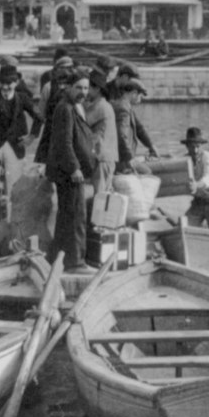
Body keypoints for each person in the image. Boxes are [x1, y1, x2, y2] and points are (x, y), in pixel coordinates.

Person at [45, 71, 98, 274]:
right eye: (79, 88)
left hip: (67, 171)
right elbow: (64, 142)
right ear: (69, 87)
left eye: (86, 88)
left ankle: (57, 258)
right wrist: (75, 167)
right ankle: (76, 262)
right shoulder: (65, 108)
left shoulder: (74, 107)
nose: (83, 92)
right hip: (69, 172)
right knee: (77, 215)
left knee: (66, 216)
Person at [0, 63, 43, 196]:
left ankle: (11, 217)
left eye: (10, 83)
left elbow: (39, 117)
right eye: (2, 82)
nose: (5, 87)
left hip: (15, 147)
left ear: (17, 82)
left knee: (15, 190)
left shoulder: (23, 98)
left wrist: (31, 137)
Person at [84, 67, 117, 195]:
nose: (85, 91)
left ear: (97, 89)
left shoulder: (100, 106)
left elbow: (82, 123)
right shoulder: (103, 105)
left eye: (88, 88)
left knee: (100, 198)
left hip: (102, 159)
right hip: (106, 158)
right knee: (103, 195)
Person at [113, 79, 158, 173]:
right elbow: (121, 135)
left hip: (122, 156)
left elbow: (139, 129)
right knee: (146, 172)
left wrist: (151, 145)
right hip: (121, 159)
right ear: (134, 93)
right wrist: (130, 158)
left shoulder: (125, 106)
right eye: (140, 95)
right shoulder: (123, 109)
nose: (140, 99)